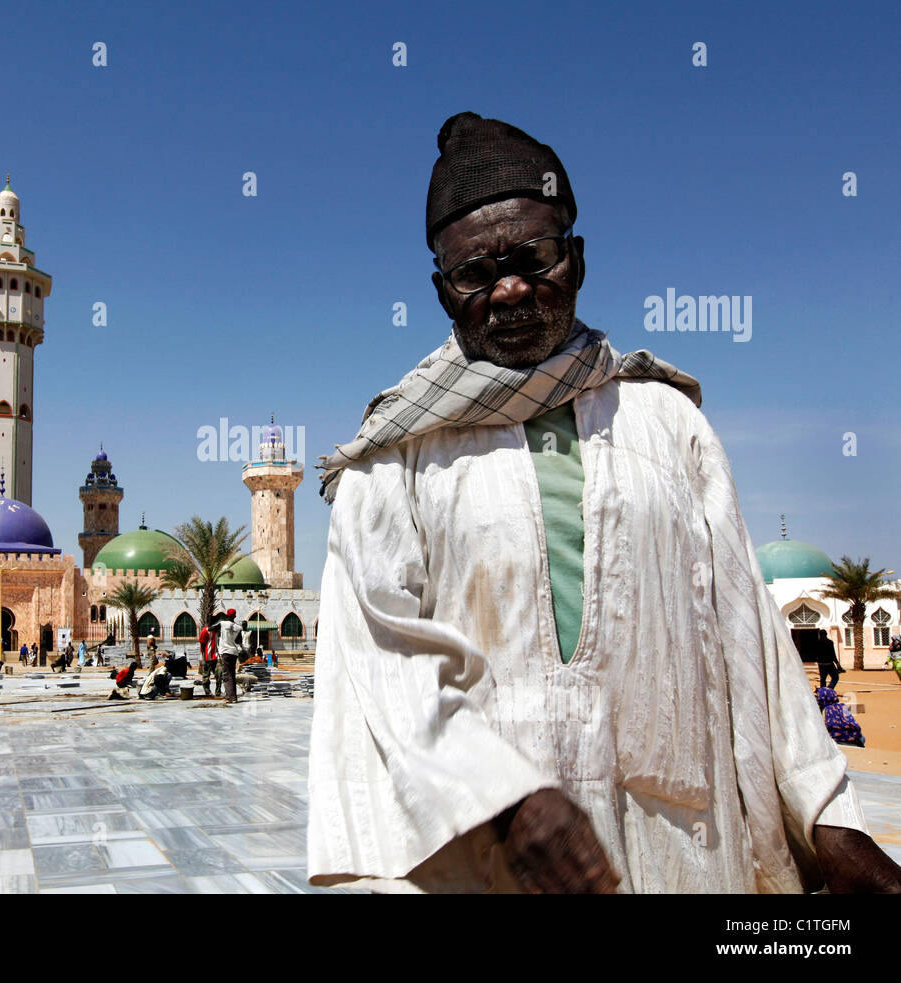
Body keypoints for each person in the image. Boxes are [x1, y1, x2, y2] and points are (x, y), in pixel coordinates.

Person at [308, 111, 900, 895]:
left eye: (533, 256)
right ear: (444, 295)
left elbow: (750, 639)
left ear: (576, 259)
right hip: (489, 862)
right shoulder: (395, 458)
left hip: (684, 850)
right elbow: (382, 656)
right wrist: (505, 799)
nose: (509, 287)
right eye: (476, 272)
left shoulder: (667, 423)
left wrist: (832, 823)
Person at [215, 610, 245, 703]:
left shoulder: (222, 623)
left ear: (227, 615)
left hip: (225, 652)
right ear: (235, 616)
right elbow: (239, 641)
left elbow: (210, 628)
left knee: (226, 675)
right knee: (231, 674)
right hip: (234, 652)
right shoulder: (238, 627)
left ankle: (231, 697)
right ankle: (232, 695)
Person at [199, 620, 218, 696]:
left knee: (219, 674)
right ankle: (207, 691)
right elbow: (202, 645)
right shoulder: (205, 631)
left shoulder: (216, 630)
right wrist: (203, 657)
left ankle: (218, 691)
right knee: (206, 675)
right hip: (208, 656)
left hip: (216, 656)